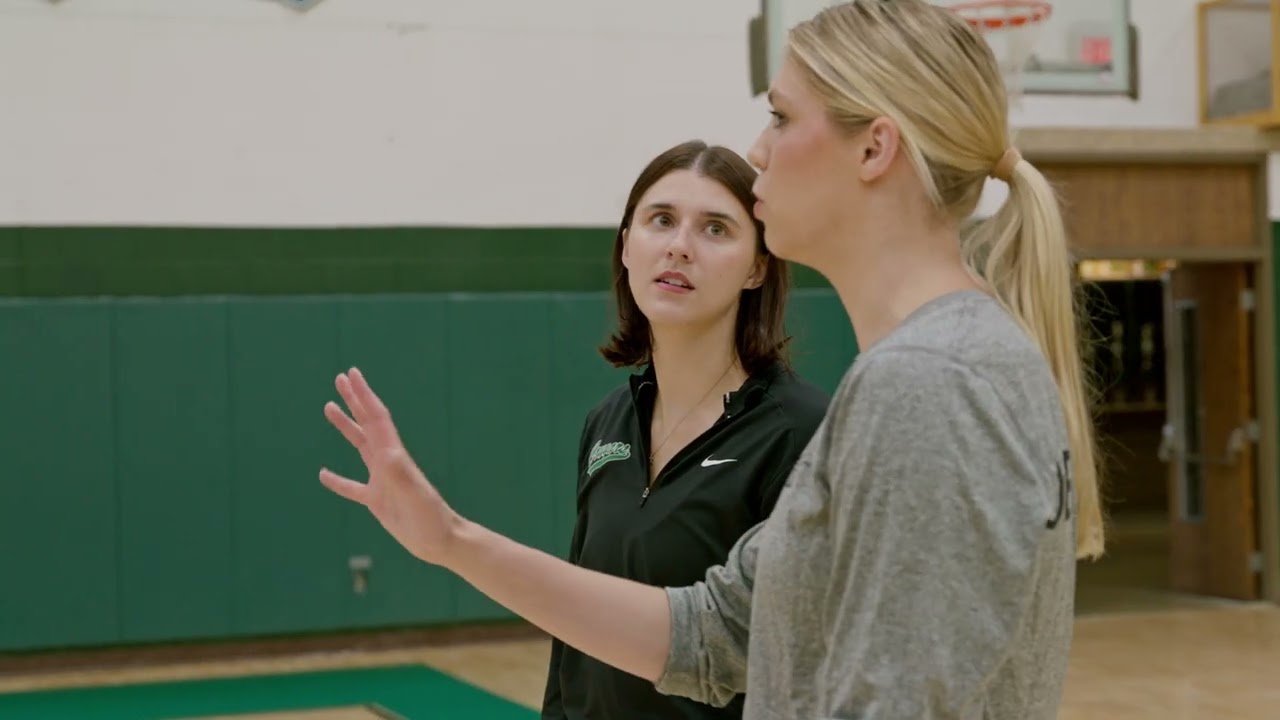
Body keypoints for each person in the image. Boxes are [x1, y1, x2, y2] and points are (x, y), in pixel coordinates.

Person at [316, 2, 1106, 718]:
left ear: (874, 148)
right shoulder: (945, 365)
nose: (758, 149)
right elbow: (713, 632)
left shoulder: (930, 382)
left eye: (780, 117)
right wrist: (450, 539)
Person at [538, 140, 829, 720]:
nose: (679, 247)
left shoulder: (799, 432)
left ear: (757, 266)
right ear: (626, 246)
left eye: (715, 229)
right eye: (661, 220)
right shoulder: (607, 422)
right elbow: (574, 632)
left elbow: (802, 663)